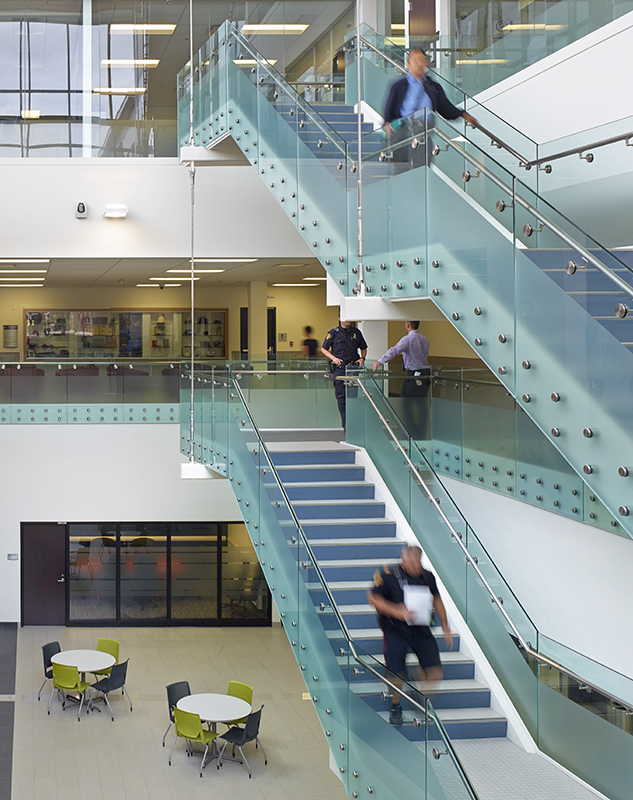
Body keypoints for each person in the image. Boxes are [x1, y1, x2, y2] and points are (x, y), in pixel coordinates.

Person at [368, 545, 452, 726]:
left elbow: (437, 598)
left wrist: (445, 624)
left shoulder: (427, 576)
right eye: (412, 564)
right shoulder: (387, 575)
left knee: (436, 673)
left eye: (418, 564)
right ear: (403, 560)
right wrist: (396, 611)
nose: (416, 568)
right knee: (396, 673)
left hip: (421, 629)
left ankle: (417, 692)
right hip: (395, 630)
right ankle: (395, 705)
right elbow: (373, 599)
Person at [383, 48, 477, 169]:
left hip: (423, 131)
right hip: (403, 131)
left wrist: (463, 114)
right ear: (408, 64)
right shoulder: (398, 86)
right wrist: (387, 122)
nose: (419, 64)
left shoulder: (433, 87)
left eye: (422, 60)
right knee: (400, 168)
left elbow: (446, 108)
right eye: (415, 60)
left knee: (422, 168)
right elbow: (388, 109)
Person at [372, 321, 430, 439]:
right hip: (426, 373)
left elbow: (394, 350)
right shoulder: (425, 339)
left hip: (414, 373)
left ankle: (410, 432)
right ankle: (421, 433)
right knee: (422, 404)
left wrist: (380, 361)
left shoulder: (407, 339)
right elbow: (425, 355)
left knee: (405, 402)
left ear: (407, 325)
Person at [321, 313, 367, 429]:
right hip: (339, 369)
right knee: (341, 397)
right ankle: (345, 423)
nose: (348, 320)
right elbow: (323, 348)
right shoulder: (333, 333)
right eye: (345, 317)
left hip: (352, 368)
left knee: (352, 396)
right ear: (339, 318)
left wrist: (362, 358)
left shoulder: (356, 332)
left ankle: (353, 422)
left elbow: (364, 347)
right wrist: (334, 358)